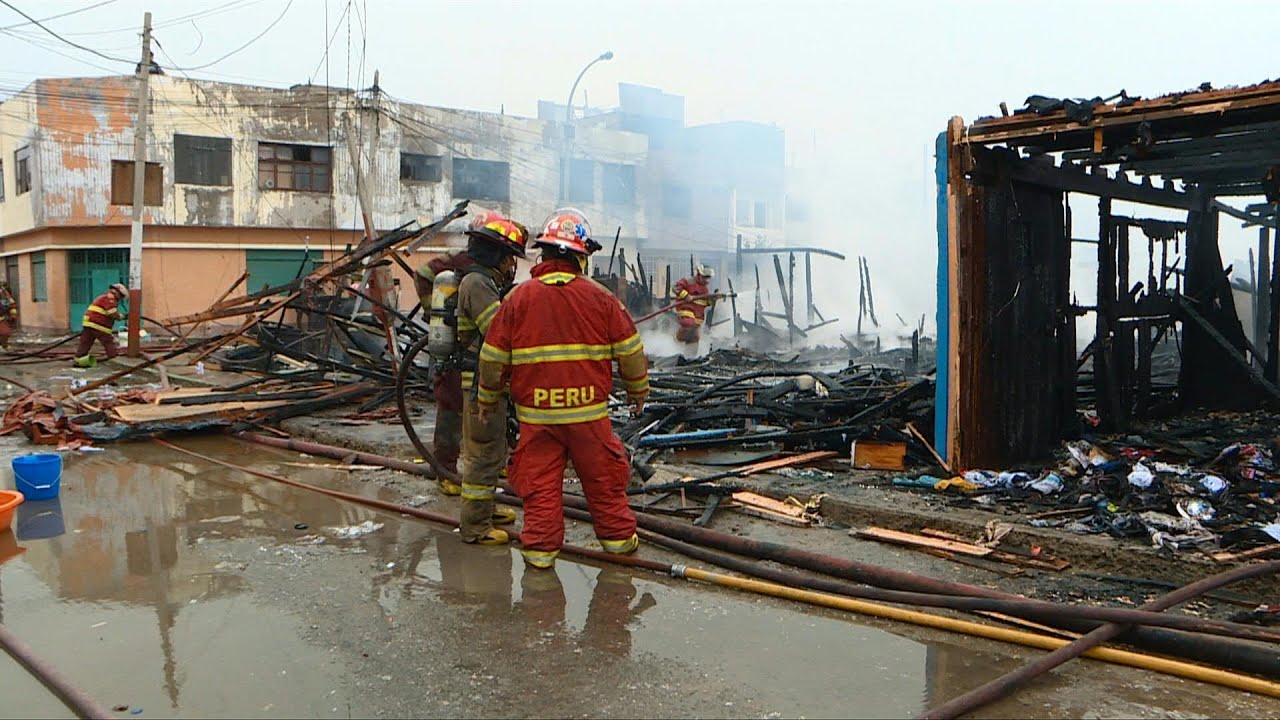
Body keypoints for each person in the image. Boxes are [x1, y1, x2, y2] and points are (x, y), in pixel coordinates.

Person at [477, 208, 649, 569]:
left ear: (545, 254)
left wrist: (486, 400)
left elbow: (492, 358)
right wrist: (638, 393)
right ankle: (618, 543)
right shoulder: (601, 299)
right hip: (589, 418)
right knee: (604, 483)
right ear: (580, 256)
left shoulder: (517, 300)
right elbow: (631, 351)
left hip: (538, 420)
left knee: (539, 490)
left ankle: (540, 555)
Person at [453, 213, 529, 546]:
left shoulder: (484, 281)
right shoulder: (478, 284)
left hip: (486, 382)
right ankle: (475, 527)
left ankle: (486, 509)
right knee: (483, 454)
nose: (513, 264)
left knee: (493, 451)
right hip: (481, 384)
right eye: (511, 256)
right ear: (497, 255)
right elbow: (500, 335)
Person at [73, 282, 127, 367]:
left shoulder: (103, 297)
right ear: (118, 293)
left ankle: (78, 360)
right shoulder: (110, 298)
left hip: (88, 323)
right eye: (121, 296)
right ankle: (114, 359)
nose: (120, 299)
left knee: (85, 343)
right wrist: (122, 316)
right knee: (108, 342)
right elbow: (111, 313)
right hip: (99, 325)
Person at [673, 264, 718, 357]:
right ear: (699, 274)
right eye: (704, 277)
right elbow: (675, 287)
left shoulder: (705, 289)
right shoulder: (689, 281)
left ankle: (690, 357)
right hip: (686, 310)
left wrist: (713, 299)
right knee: (689, 323)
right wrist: (686, 296)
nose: (706, 280)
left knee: (695, 337)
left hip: (698, 316)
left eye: (708, 278)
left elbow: (705, 303)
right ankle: (676, 339)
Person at [0, 280, 16, 350]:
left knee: (5, 332)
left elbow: (11, 304)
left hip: (1, 318)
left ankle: (4, 346)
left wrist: (13, 315)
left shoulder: (5, 294)